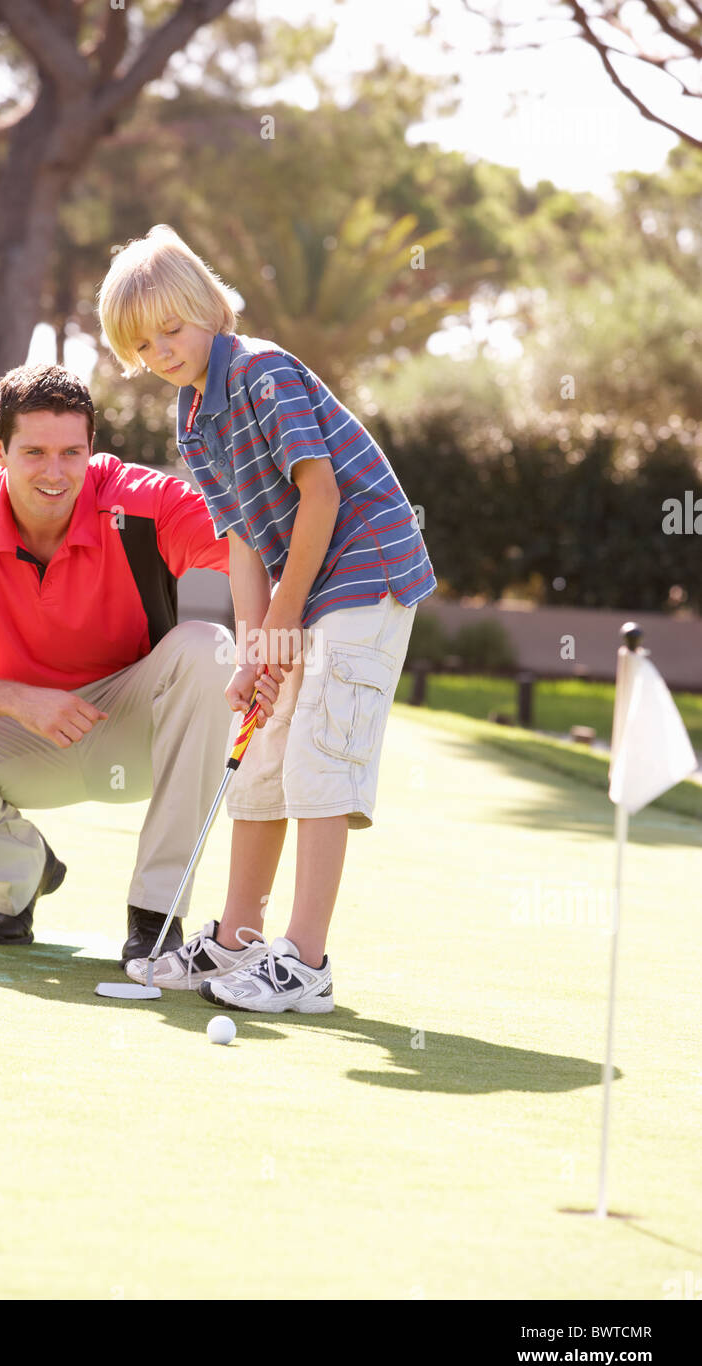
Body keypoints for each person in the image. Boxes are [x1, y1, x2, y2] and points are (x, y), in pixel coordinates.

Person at [97, 225, 437, 1013]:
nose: (164, 351)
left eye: (173, 329)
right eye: (145, 346)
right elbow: (244, 535)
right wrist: (257, 649)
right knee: (263, 756)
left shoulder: (261, 371)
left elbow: (321, 496)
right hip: (304, 589)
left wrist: (283, 620)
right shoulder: (191, 417)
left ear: (211, 308)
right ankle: (238, 938)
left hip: (368, 572)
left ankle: (306, 961)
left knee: (321, 757)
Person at [0, 362, 278, 967]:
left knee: (207, 647)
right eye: (33, 452)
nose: (55, 473)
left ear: (92, 449)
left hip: (138, 736)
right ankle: (21, 876)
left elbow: (255, 543)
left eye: (71, 452)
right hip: (20, 734)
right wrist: (20, 700)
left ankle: (155, 915)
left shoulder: (144, 501)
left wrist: (259, 646)